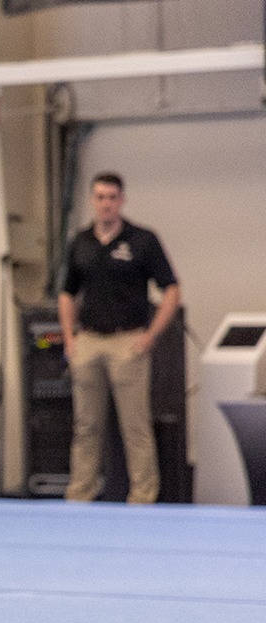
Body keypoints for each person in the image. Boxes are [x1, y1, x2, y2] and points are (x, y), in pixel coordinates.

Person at [60, 173, 181, 505]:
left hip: (128, 341)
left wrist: (152, 335)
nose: (106, 203)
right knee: (86, 426)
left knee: (135, 427)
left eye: (112, 197)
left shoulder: (142, 240)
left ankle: (142, 496)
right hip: (89, 341)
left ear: (122, 200)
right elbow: (67, 293)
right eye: (100, 197)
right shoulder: (81, 242)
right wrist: (70, 338)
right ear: (92, 201)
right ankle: (80, 493)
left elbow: (171, 288)